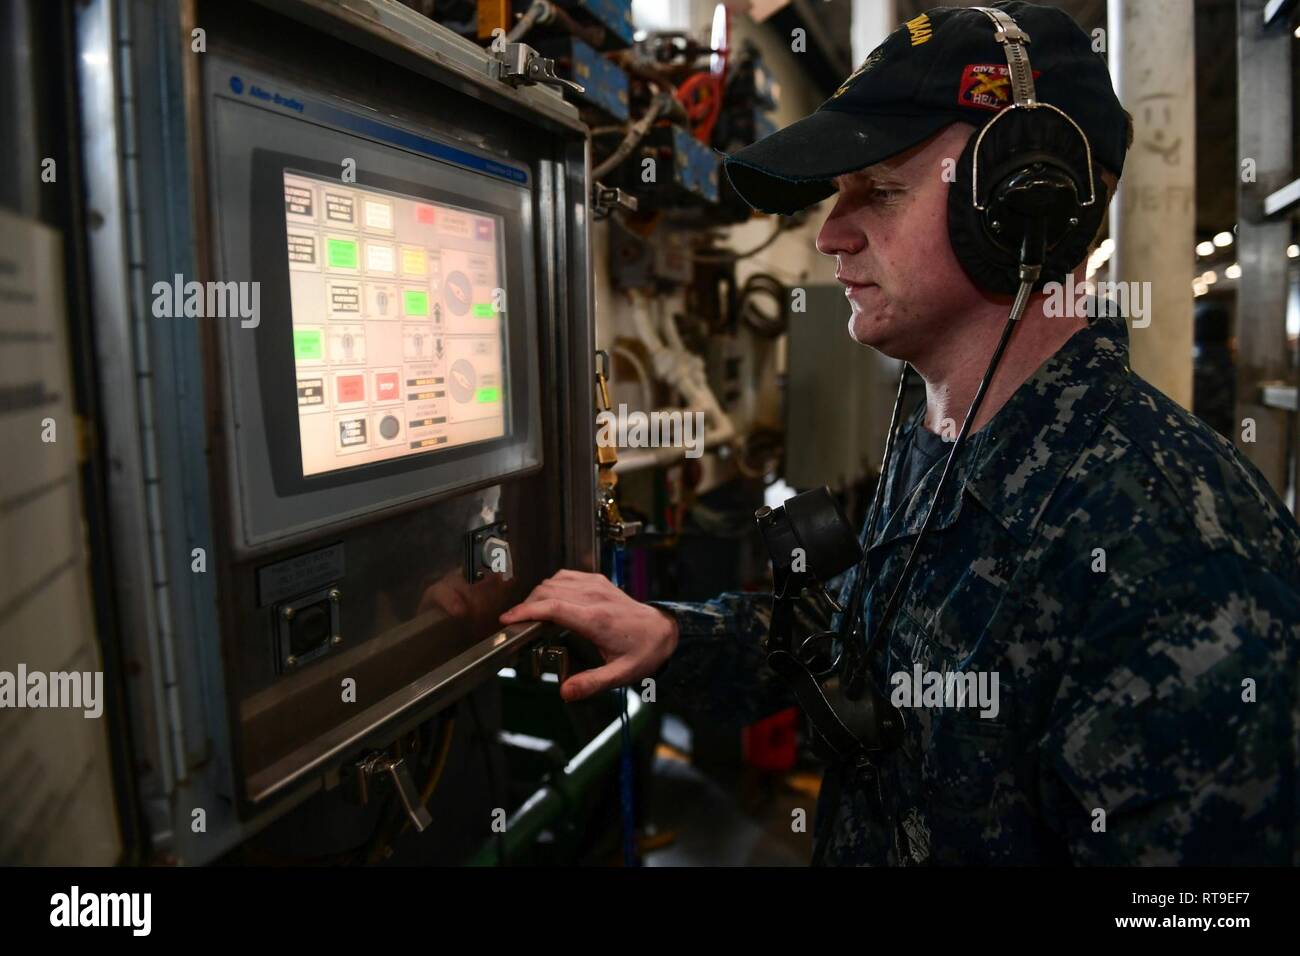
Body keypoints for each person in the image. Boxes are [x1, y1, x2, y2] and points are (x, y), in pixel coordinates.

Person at [500, 2, 1300, 865]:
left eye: (877, 190)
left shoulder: (1169, 544)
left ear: (1023, 202)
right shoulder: (948, 435)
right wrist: (673, 633)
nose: (830, 236)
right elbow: (864, 640)